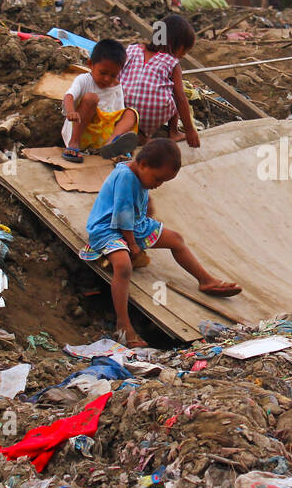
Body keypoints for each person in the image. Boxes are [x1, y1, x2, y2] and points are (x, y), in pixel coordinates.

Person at [80, 138, 241, 346]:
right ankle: (123, 325)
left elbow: (140, 203)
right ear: (143, 164)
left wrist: (148, 213)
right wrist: (133, 245)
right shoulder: (125, 177)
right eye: (157, 179)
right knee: (123, 265)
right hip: (108, 228)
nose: (158, 185)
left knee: (176, 239)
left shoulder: (139, 171)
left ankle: (206, 280)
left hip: (134, 225)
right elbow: (122, 214)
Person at [121, 14, 201, 148]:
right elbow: (180, 97)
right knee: (174, 93)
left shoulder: (132, 49)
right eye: (184, 51)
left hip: (122, 111)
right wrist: (190, 130)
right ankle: (173, 132)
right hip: (150, 116)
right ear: (179, 45)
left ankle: (136, 134)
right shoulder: (171, 62)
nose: (183, 55)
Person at [60, 39, 138, 162]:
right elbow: (69, 96)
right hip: (82, 132)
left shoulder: (117, 87)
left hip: (102, 135)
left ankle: (112, 143)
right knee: (91, 98)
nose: (107, 79)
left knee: (131, 113)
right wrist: (71, 111)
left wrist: (122, 131)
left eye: (113, 75)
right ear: (90, 64)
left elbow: (119, 114)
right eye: (103, 73)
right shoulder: (83, 80)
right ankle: (74, 143)